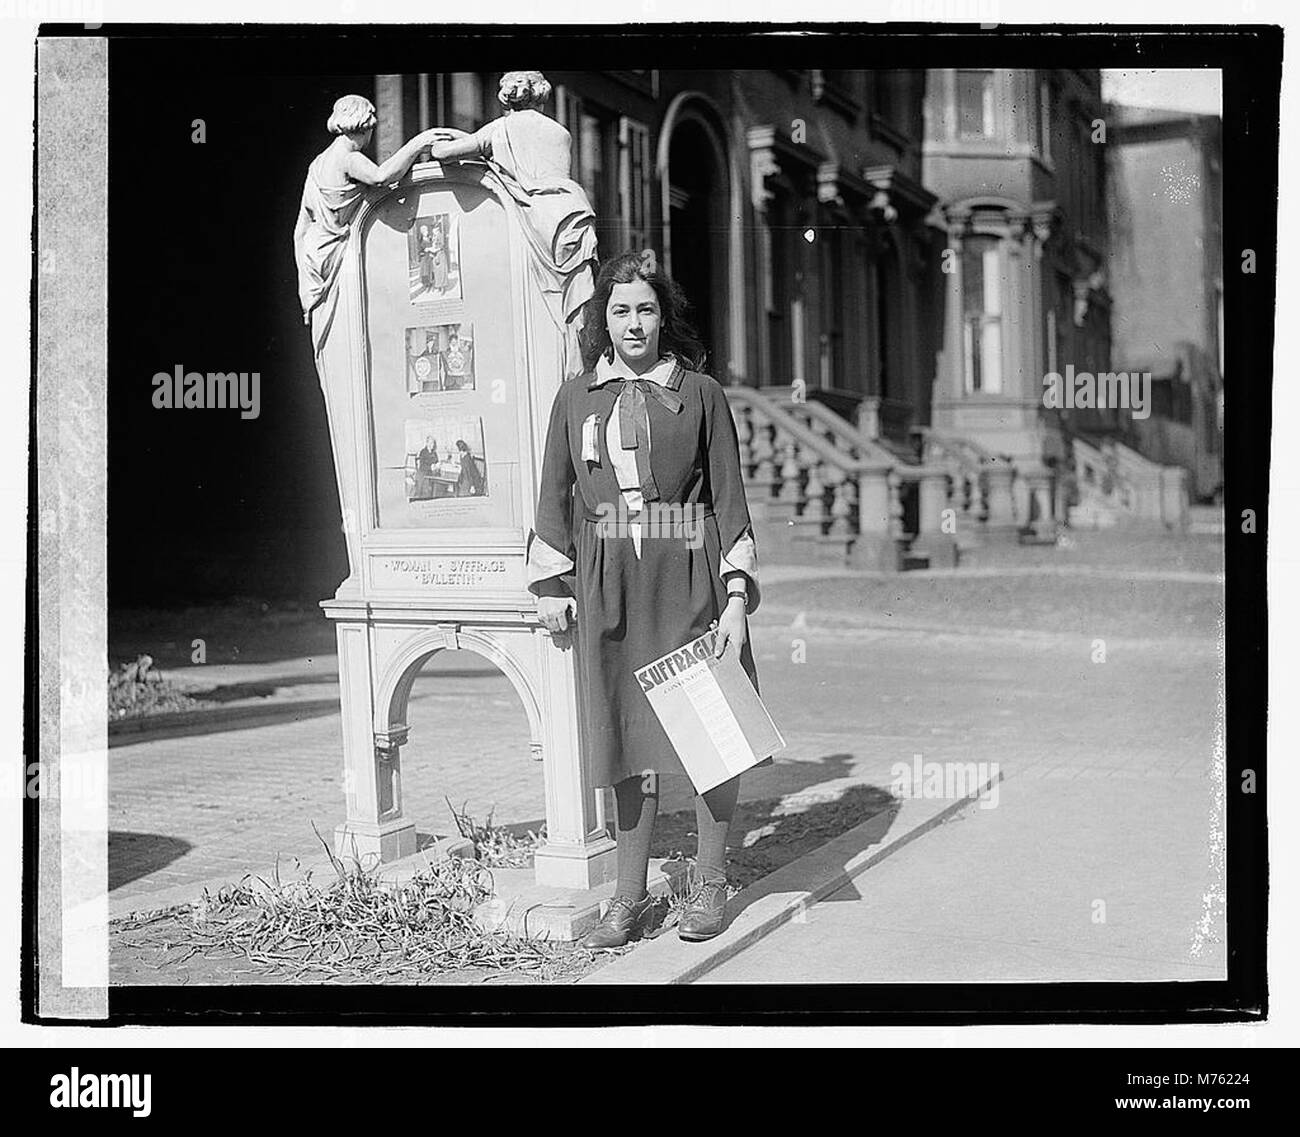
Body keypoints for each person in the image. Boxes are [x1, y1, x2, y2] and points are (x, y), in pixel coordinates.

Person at [525, 250, 762, 949]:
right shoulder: (576, 395)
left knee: (711, 729)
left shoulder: (702, 393)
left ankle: (711, 882)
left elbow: (729, 499)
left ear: (665, 316)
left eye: (647, 309)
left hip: (687, 574)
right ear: (604, 318)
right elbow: (553, 491)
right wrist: (550, 582)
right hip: (609, 584)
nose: (634, 323)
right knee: (626, 738)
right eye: (621, 310)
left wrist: (736, 600)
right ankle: (629, 899)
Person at [427, 71, 596, 378]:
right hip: (571, 217)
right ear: (540, 95)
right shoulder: (560, 132)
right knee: (572, 314)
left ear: (508, 97)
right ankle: (572, 377)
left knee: (539, 308)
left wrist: (455, 139)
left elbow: (441, 153)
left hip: (534, 221)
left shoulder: (500, 128)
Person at [294, 95, 446, 356]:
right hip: (337, 258)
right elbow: (381, 176)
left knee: (331, 341)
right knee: (346, 335)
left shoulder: (317, 163)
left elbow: (301, 229)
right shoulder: (348, 158)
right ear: (365, 126)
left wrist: (305, 281)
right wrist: (418, 143)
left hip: (314, 256)